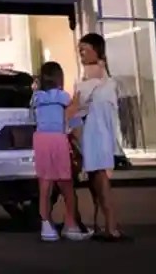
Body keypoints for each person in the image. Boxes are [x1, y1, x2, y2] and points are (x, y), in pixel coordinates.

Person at [76, 32, 132, 242]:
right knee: (94, 184)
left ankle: (111, 227)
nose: (81, 53)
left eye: (85, 49)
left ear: (97, 51)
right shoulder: (90, 78)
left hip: (98, 137)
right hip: (90, 137)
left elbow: (86, 101)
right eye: (80, 49)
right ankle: (101, 226)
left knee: (101, 183)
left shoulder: (101, 80)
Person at [30, 61, 90, 242]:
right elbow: (73, 122)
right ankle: (70, 225)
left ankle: (46, 225)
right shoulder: (63, 97)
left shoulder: (36, 98)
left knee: (45, 185)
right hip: (57, 139)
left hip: (40, 140)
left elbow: (33, 117)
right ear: (59, 78)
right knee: (66, 185)